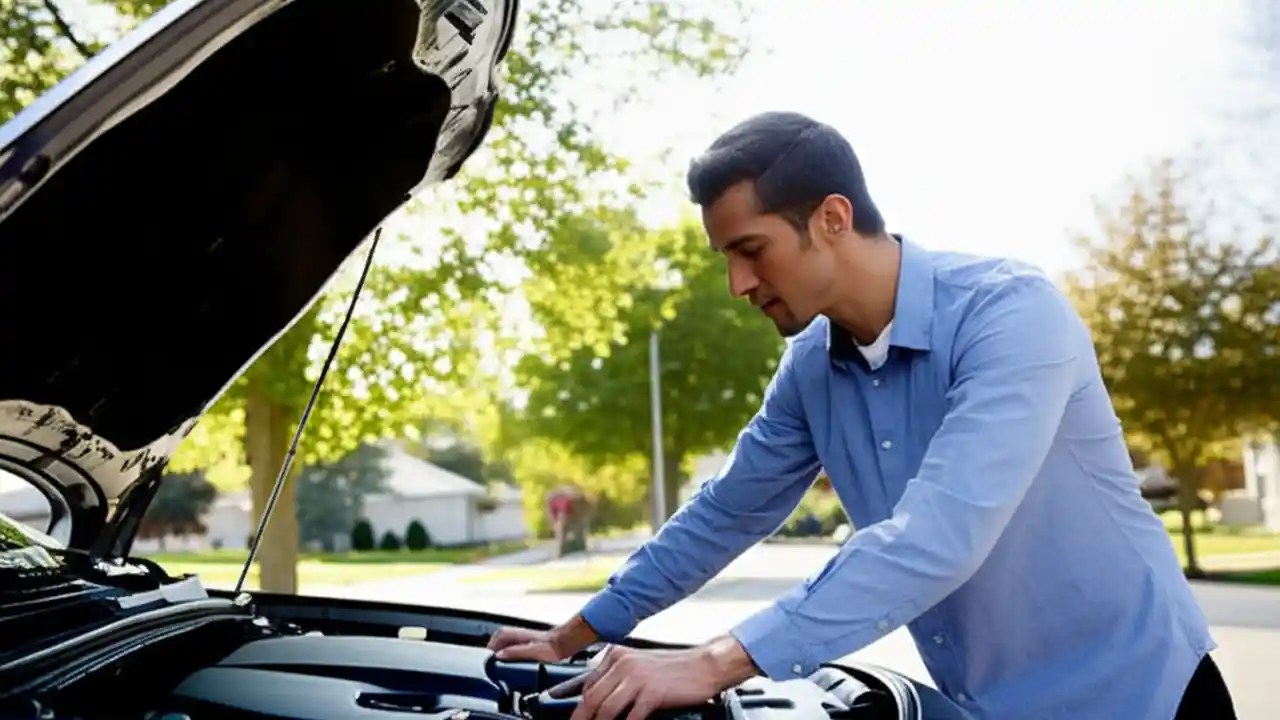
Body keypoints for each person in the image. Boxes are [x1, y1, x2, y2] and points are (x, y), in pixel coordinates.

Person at [486, 111, 1236, 720]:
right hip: (987, 707)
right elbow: (726, 513)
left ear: (833, 218)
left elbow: (938, 536)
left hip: (1144, 698)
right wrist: (573, 635)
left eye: (751, 250)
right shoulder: (811, 364)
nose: (737, 284)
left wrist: (715, 662)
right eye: (726, 257)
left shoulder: (1011, 315)